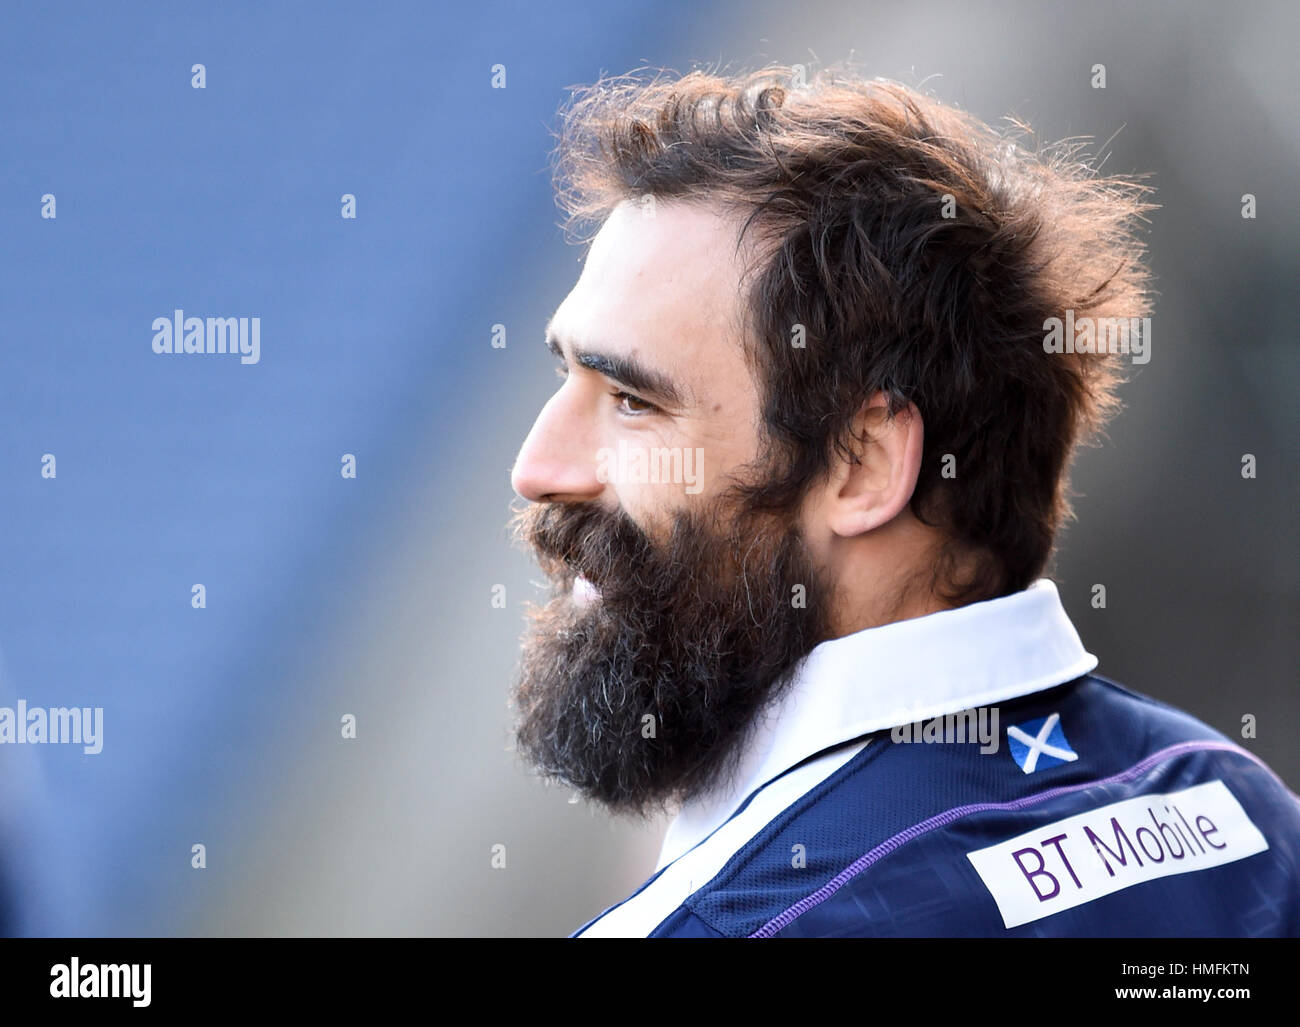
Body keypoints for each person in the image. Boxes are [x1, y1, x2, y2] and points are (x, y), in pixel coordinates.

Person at [505, 65, 1300, 937]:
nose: (537, 466)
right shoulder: (1254, 822)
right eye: (563, 374)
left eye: (632, 400)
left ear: (864, 463)